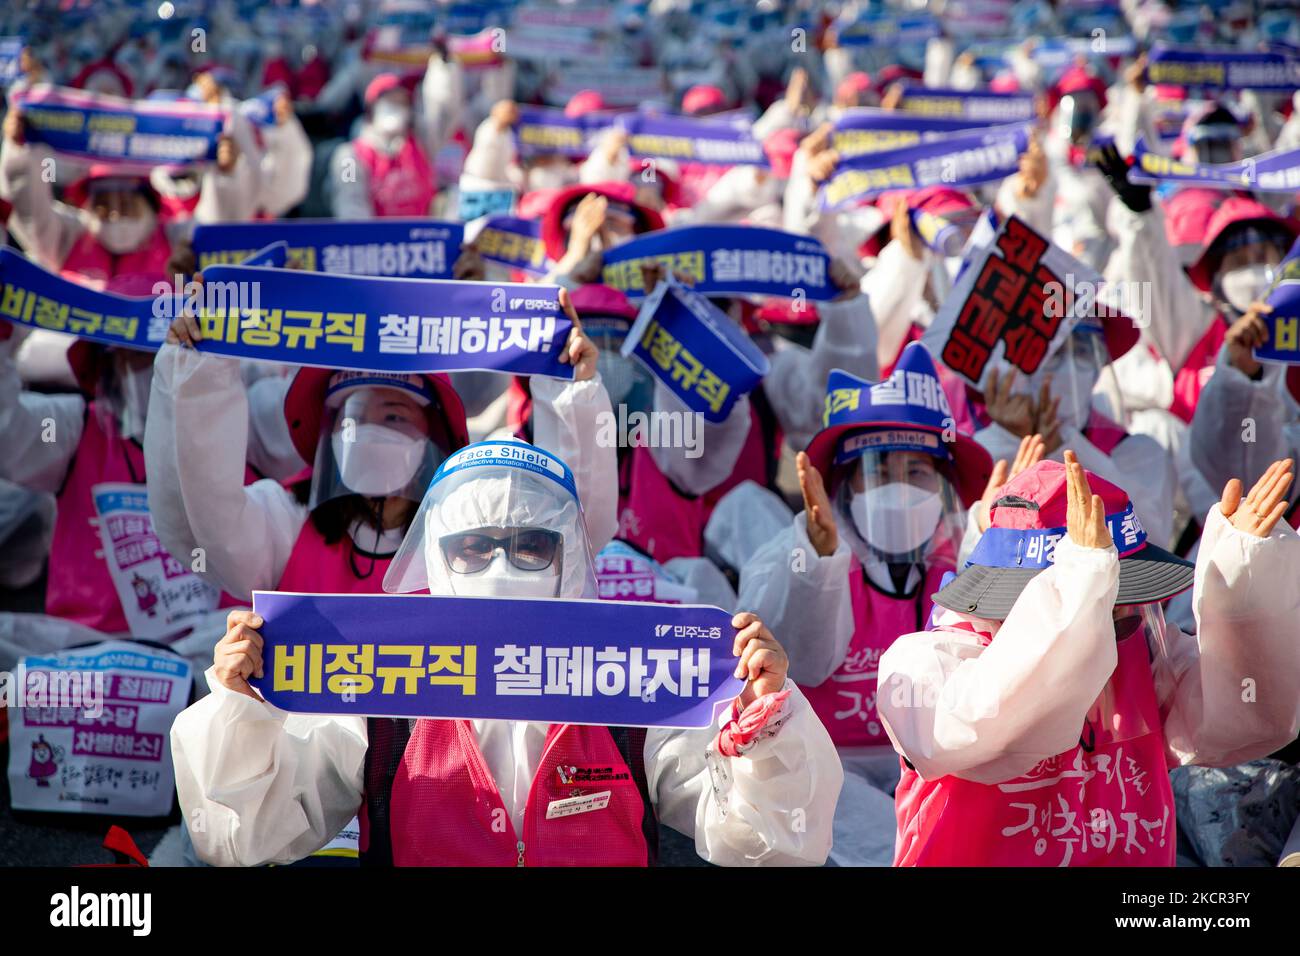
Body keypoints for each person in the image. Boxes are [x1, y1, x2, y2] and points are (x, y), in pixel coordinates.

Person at [170, 440, 842, 866]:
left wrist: (762, 725)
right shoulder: (379, 692)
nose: (500, 563)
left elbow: (768, 844)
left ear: (567, 560)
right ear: (438, 556)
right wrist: (240, 709)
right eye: (473, 546)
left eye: (530, 546)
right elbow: (242, 835)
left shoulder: (636, 687)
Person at [877, 451, 1300, 865]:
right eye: (1105, 597)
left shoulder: (1143, 654)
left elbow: (1249, 720)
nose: (1114, 617)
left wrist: (1245, 581)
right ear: (1025, 597)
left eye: (1125, 601)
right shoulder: (923, 665)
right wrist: (1080, 586)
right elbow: (983, 725)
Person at [146, 290, 615, 602]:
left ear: (432, 434)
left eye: (393, 416)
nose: (369, 431)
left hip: (429, 750)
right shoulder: (284, 520)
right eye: (353, 418)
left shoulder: (467, 522)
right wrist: (196, 369)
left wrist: (568, 389)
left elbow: (575, 532)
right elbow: (200, 519)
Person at [738, 342, 994, 864]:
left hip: (937, 765)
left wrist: (995, 555)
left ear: (945, 486)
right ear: (845, 487)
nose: (898, 489)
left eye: (917, 472)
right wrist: (819, 560)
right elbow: (801, 662)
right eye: (878, 472)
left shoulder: (966, 556)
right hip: (828, 767)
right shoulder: (793, 554)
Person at [328, 73, 437, 219]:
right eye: (390, 101)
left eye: (402, 102)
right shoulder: (348, 158)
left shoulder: (421, 144)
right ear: (372, 108)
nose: (396, 108)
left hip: (422, 237)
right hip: (376, 240)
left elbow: (444, 110)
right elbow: (350, 205)